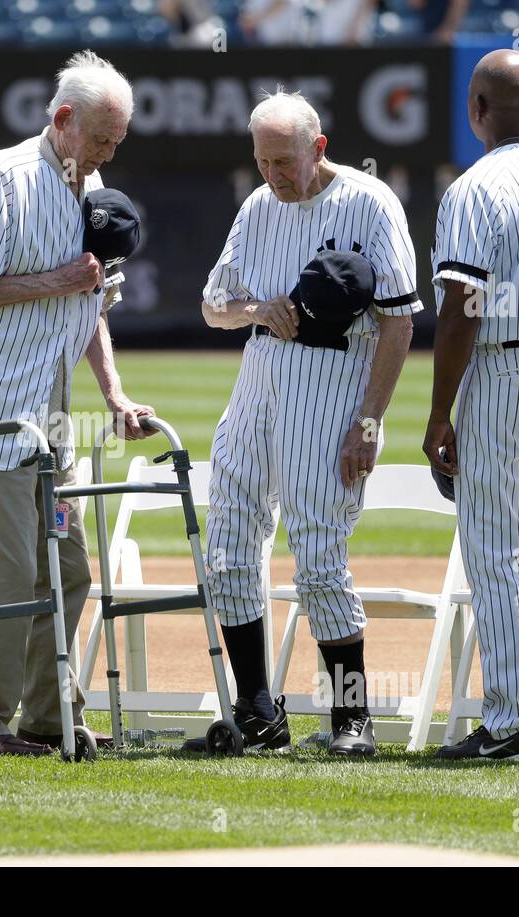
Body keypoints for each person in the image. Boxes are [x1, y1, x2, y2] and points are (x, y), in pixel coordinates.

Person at [0, 50, 154, 756]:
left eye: (118, 140)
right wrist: (54, 281)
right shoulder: (5, 176)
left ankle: (52, 718)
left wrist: (112, 392)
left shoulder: (93, 184)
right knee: (8, 572)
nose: (109, 151)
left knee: (70, 566)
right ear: (63, 119)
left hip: (51, 413)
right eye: (102, 137)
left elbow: (93, 304)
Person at [200, 90, 419, 756]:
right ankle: (258, 711)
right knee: (229, 546)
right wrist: (253, 310)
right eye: (263, 161)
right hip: (258, 378)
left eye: (284, 161)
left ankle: (351, 718)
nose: (274, 175)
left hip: (333, 384)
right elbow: (214, 305)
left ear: (317, 148)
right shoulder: (258, 207)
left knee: (320, 556)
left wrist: (370, 423)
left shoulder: (369, 201)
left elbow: (400, 319)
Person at [423, 51, 519, 761]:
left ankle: (511, 719)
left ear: (477, 108)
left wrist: (437, 414)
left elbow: (462, 307)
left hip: (506, 370)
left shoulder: (476, 185)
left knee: (494, 550)